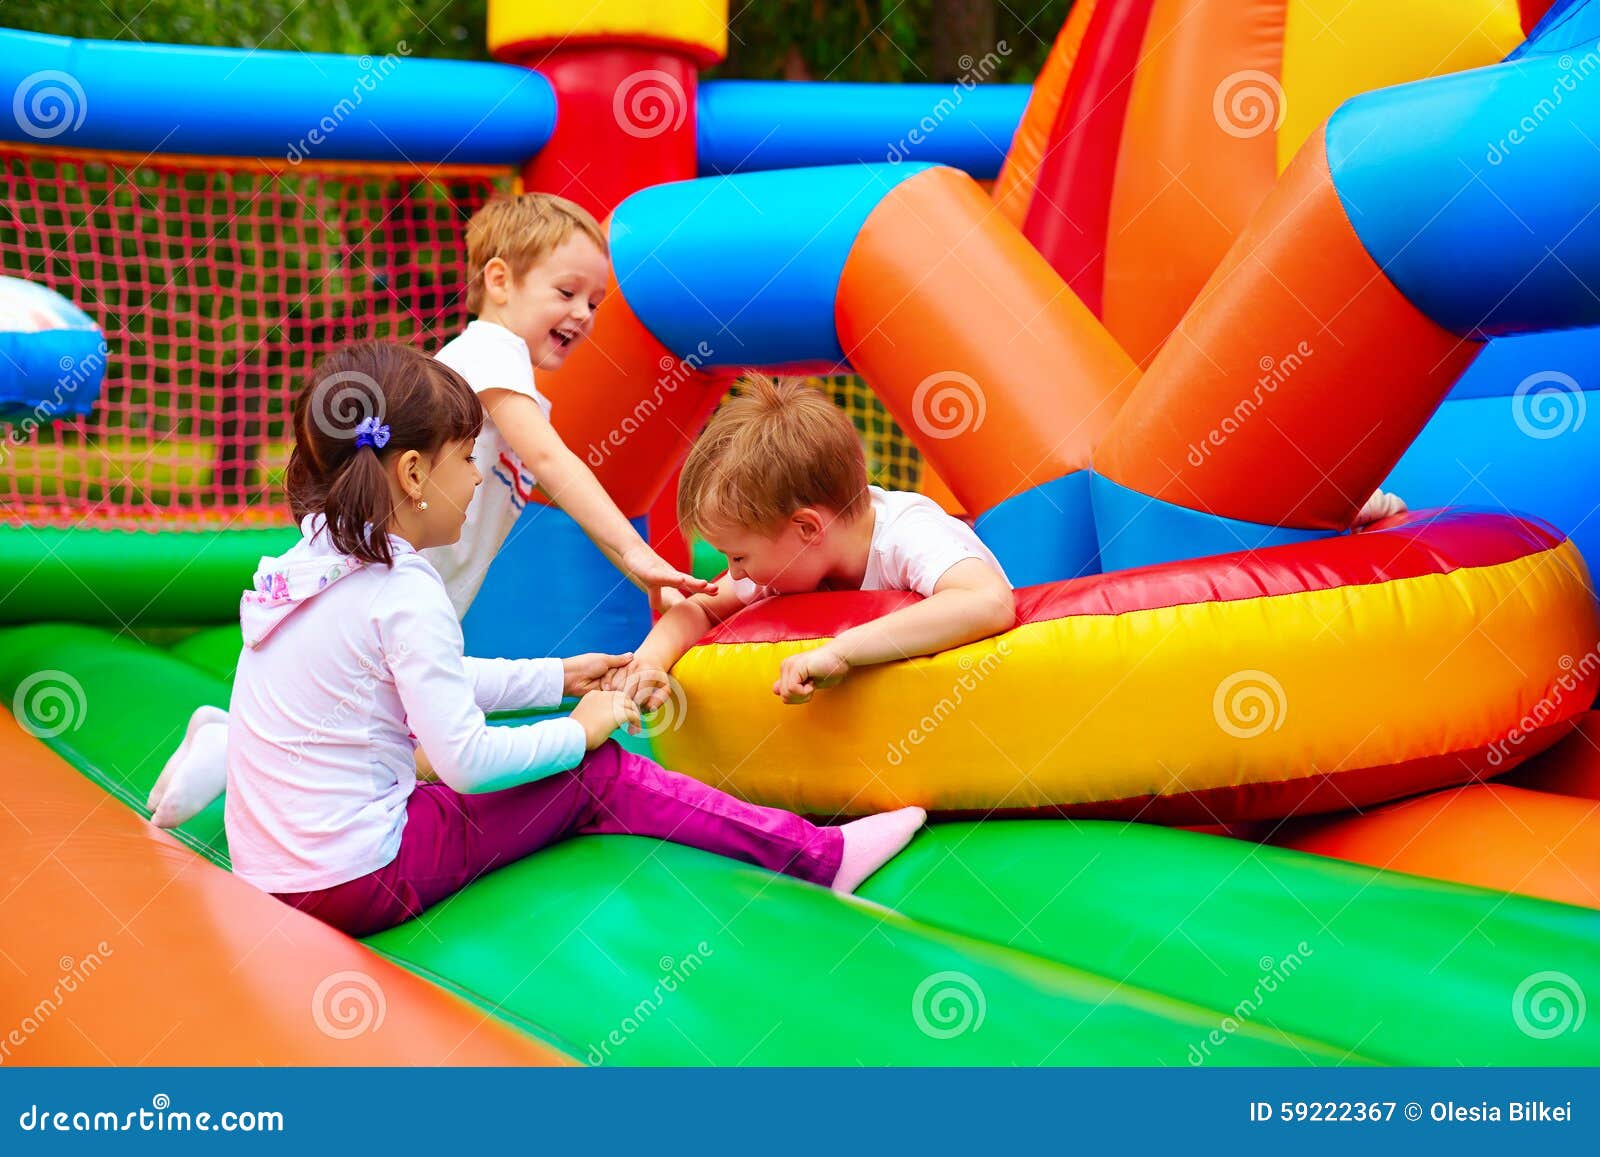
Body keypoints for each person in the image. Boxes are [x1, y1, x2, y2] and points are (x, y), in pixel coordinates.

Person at [222, 342, 925, 937]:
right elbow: (462, 759)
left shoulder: (314, 560)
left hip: (272, 869)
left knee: (535, 759)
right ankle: (817, 854)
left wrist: (558, 677)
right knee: (599, 774)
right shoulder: (404, 588)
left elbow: (429, 676)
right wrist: (580, 731)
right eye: (469, 459)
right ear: (412, 474)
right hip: (358, 878)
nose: (478, 479)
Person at [614, 375, 1016, 709]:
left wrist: (843, 650)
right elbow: (697, 611)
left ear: (807, 528)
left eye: (739, 556)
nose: (735, 573)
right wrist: (650, 660)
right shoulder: (787, 554)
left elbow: (988, 601)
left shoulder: (907, 536)